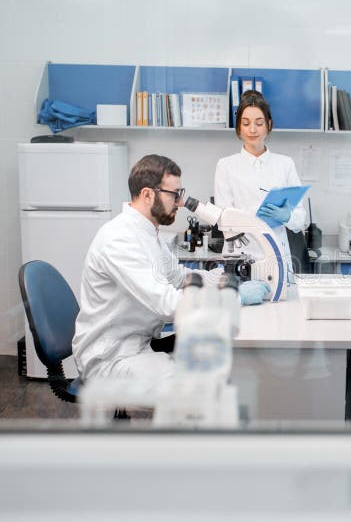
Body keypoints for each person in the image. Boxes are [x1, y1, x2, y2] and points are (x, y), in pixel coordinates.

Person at [72, 154, 269, 381]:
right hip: (111, 356)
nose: (179, 203)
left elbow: (179, 277)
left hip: (140, 345)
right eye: (174, 195)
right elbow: (166, 302)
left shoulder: (148, 233)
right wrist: (235, 297)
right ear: (147, 194)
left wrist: (225, 279)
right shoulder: (119, 239)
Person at [213, 90, 306, 273]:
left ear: (269, 125)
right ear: (239, 128)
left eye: (259, 123)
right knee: (241, 298)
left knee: (281, 301)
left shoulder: (285, 164)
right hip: (240, 254)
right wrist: (256, 217)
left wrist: (286, 216)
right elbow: (224, 220)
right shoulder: (225, 166)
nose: (252, 130)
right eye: (246, 123)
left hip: (277, 255)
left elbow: (301, 220)